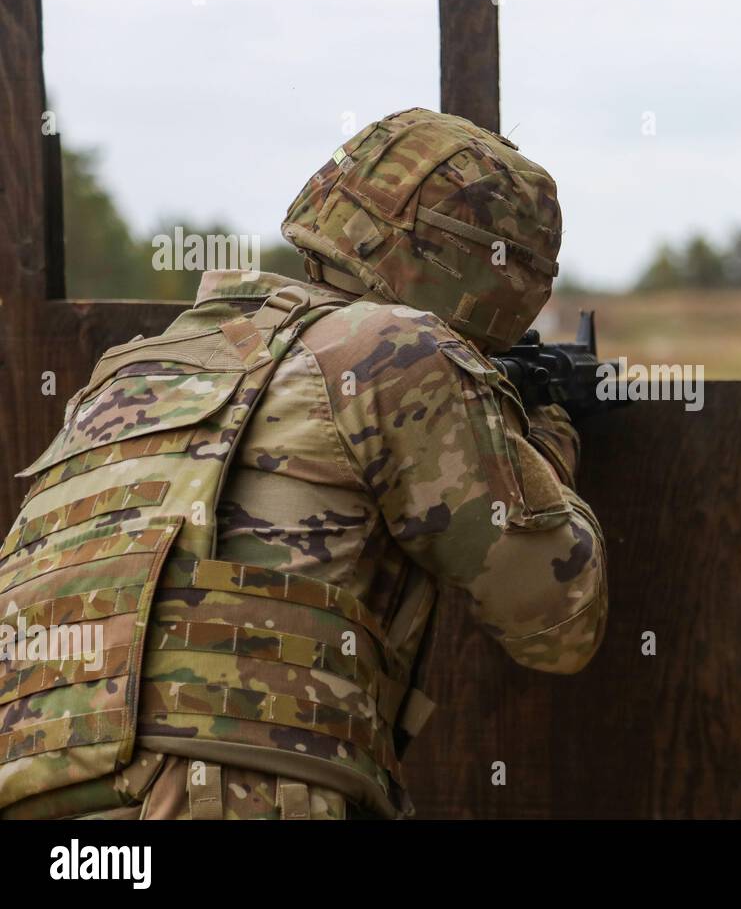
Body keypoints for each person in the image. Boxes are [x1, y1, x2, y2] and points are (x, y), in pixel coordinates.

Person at [0, 108, 607, 819]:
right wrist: (544, 442)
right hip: (225, 787)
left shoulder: (132, 373)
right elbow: (558, 622)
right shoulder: (396, 349)